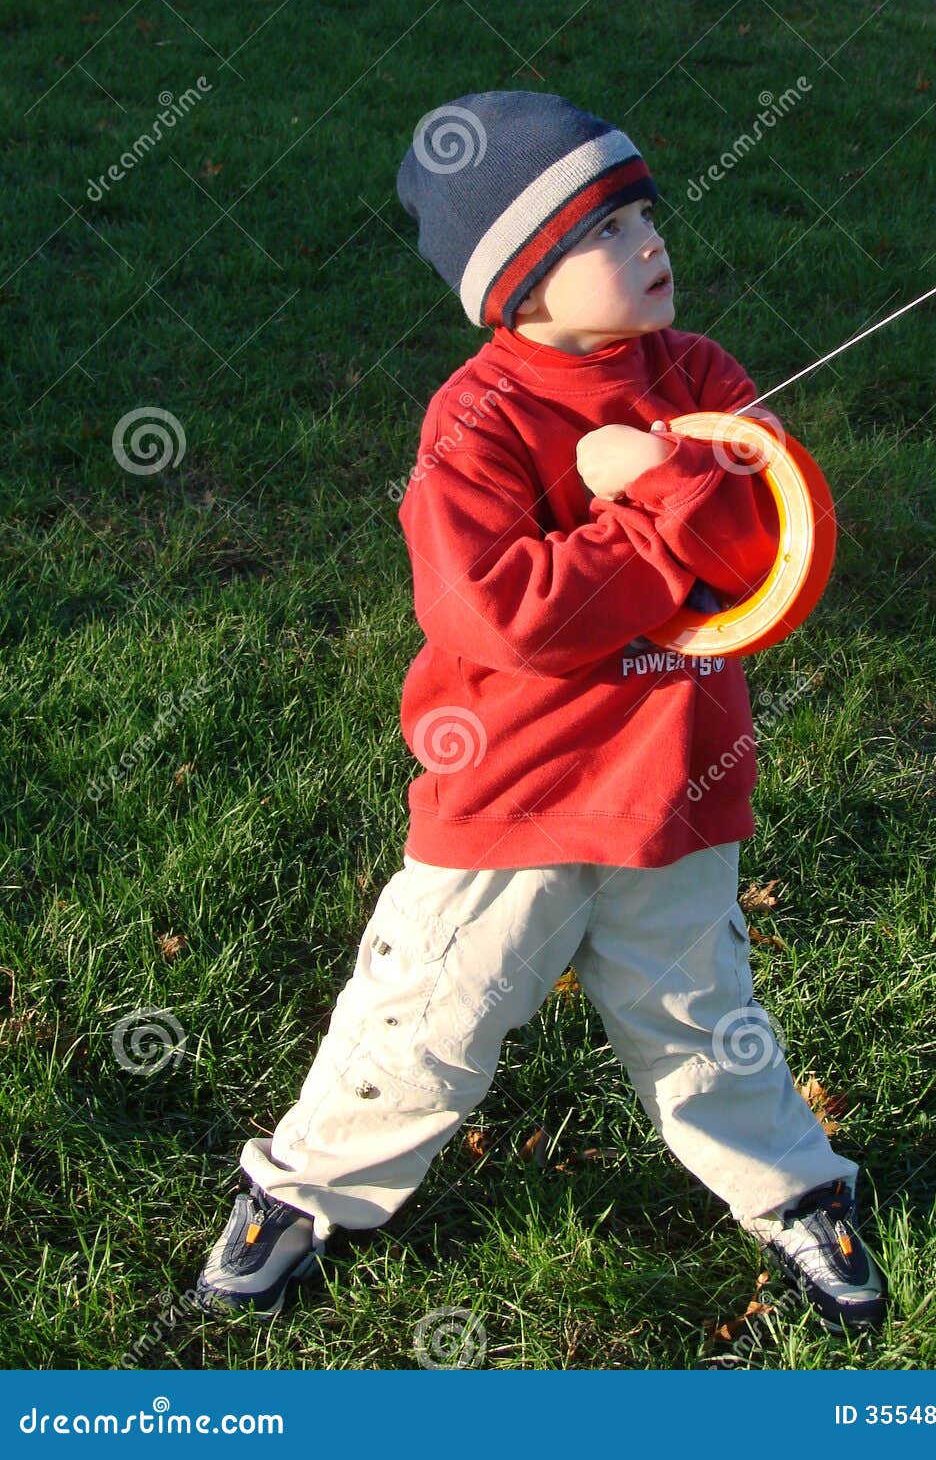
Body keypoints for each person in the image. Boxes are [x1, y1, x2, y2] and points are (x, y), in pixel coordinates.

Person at [195, 90, 886, 1335]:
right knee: (427, 1017)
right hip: (510, 798)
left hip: (673, 785)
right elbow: (504, 615)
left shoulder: (700, 380)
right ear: (516, 288)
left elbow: (770, 552)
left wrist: (667, 473)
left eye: (640, 212)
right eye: (601, 234)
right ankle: (301, 1188)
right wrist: (642, 517)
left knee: (702, 1017)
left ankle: (795, 1191)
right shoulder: (480, 419)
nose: (647, 242)